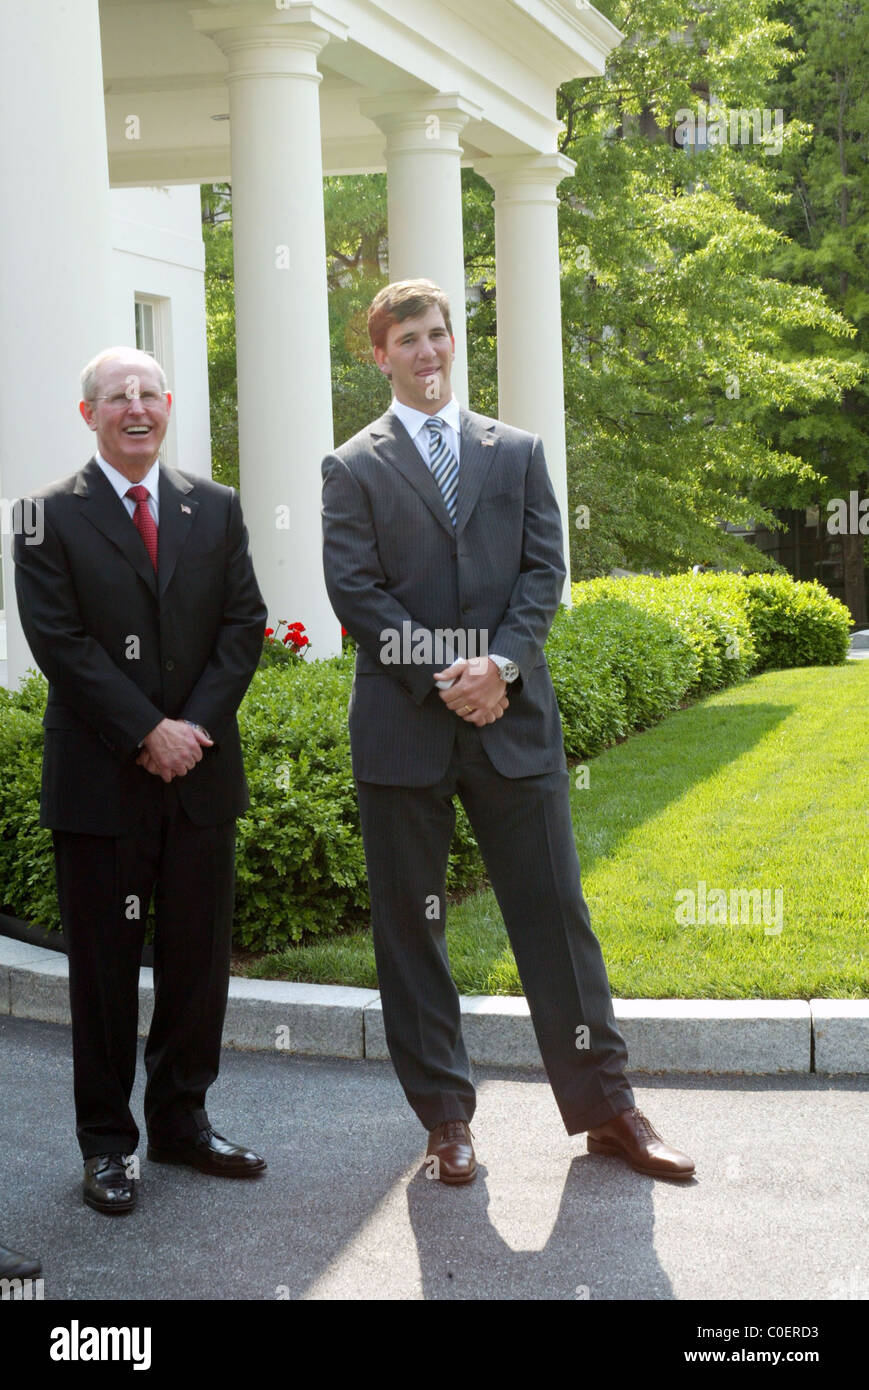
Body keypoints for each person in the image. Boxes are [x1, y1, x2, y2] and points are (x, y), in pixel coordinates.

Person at [322, 280, 694, 1184]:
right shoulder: (351, 466)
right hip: (405, 728)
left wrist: (502, 669)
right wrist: (450, 675)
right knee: (414, 930)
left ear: (456, 343)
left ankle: (608, 1112)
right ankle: (446, 1122)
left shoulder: (517, 451)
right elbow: (355, 590)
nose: (427, 351)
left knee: (556, 919)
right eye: (406, 339)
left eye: (438, 334)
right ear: (379, 355)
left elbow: (542, 569)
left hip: (512, 719)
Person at [13, 348, 268, 1214]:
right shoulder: (42, 516)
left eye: (148, 394)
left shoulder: (217, 506)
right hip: (101, 784)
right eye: (115, 396)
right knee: (104, 970)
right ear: (88, 415)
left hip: (199, 777)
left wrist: (188, 730)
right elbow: (61, 644)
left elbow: (244, 624)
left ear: (169, 407)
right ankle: (106, 1146)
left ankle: (183, 1123)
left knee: (199, 964)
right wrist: (143, 733)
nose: (135, 407)